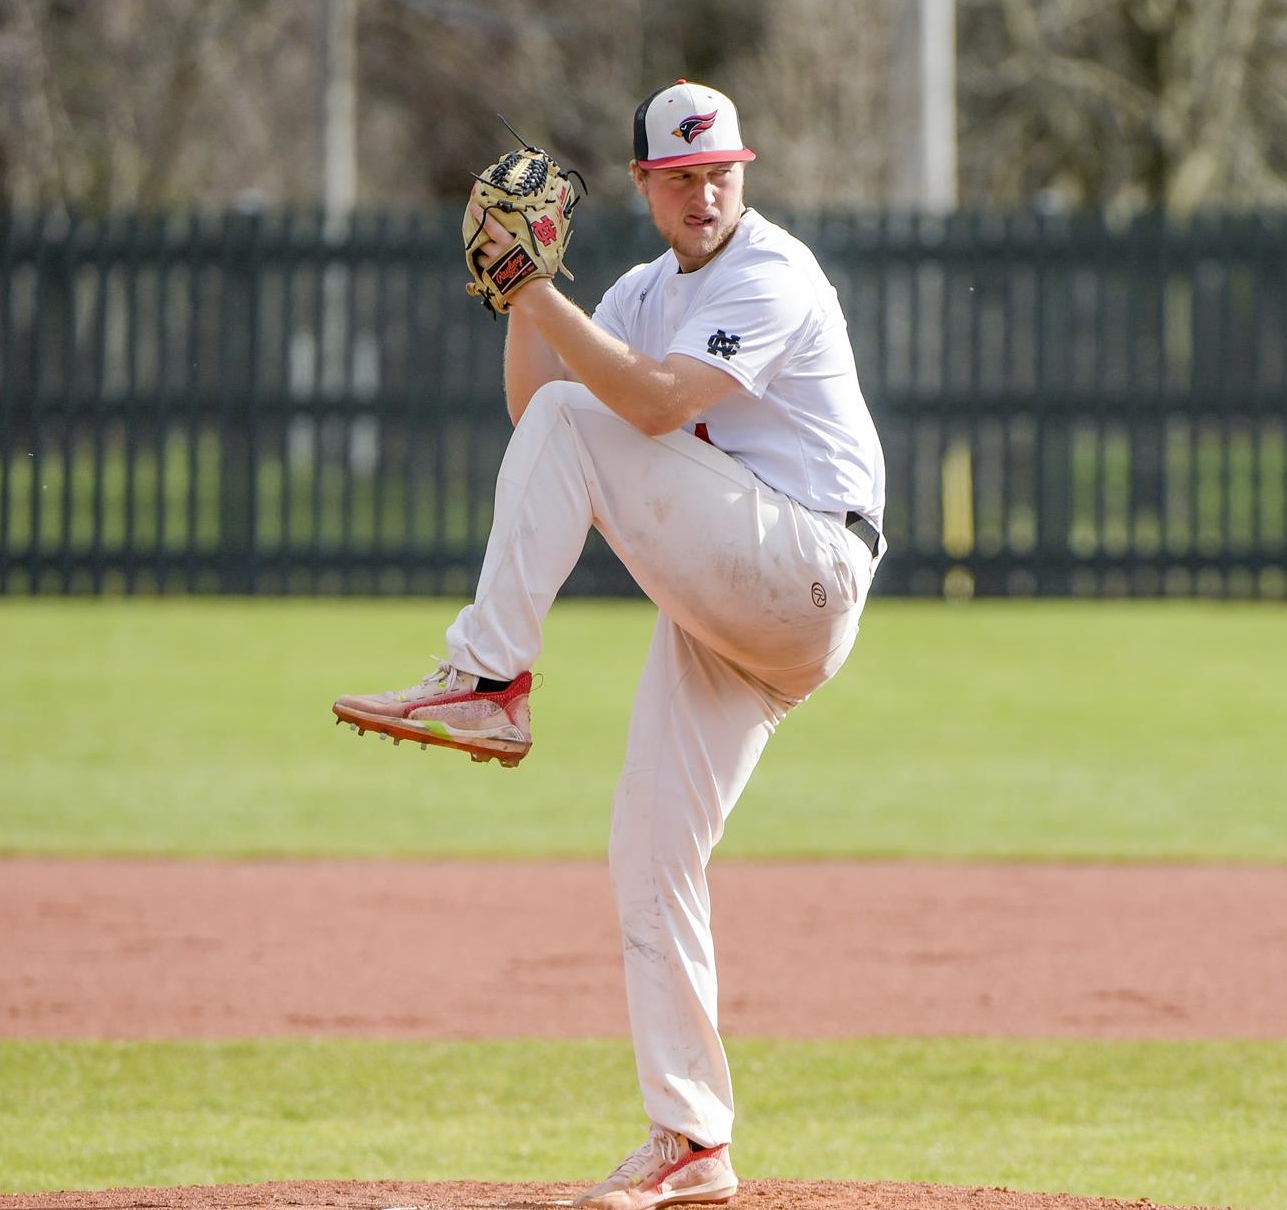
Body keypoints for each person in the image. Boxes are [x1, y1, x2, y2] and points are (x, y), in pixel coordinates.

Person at [331, 80, 885, 1210]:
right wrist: (521, 302)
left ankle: (488, 675)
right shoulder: (638, 291)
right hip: (737, 613)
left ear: (745, 169)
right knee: (648, 850)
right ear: (643, 187)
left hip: (806, 567)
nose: (704, 190)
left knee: (587, 419)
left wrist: (538, 285)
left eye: (720, 168)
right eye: (680, 176)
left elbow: (638, 409)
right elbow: (535, 407)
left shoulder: (767, 273)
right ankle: (693, 1137)